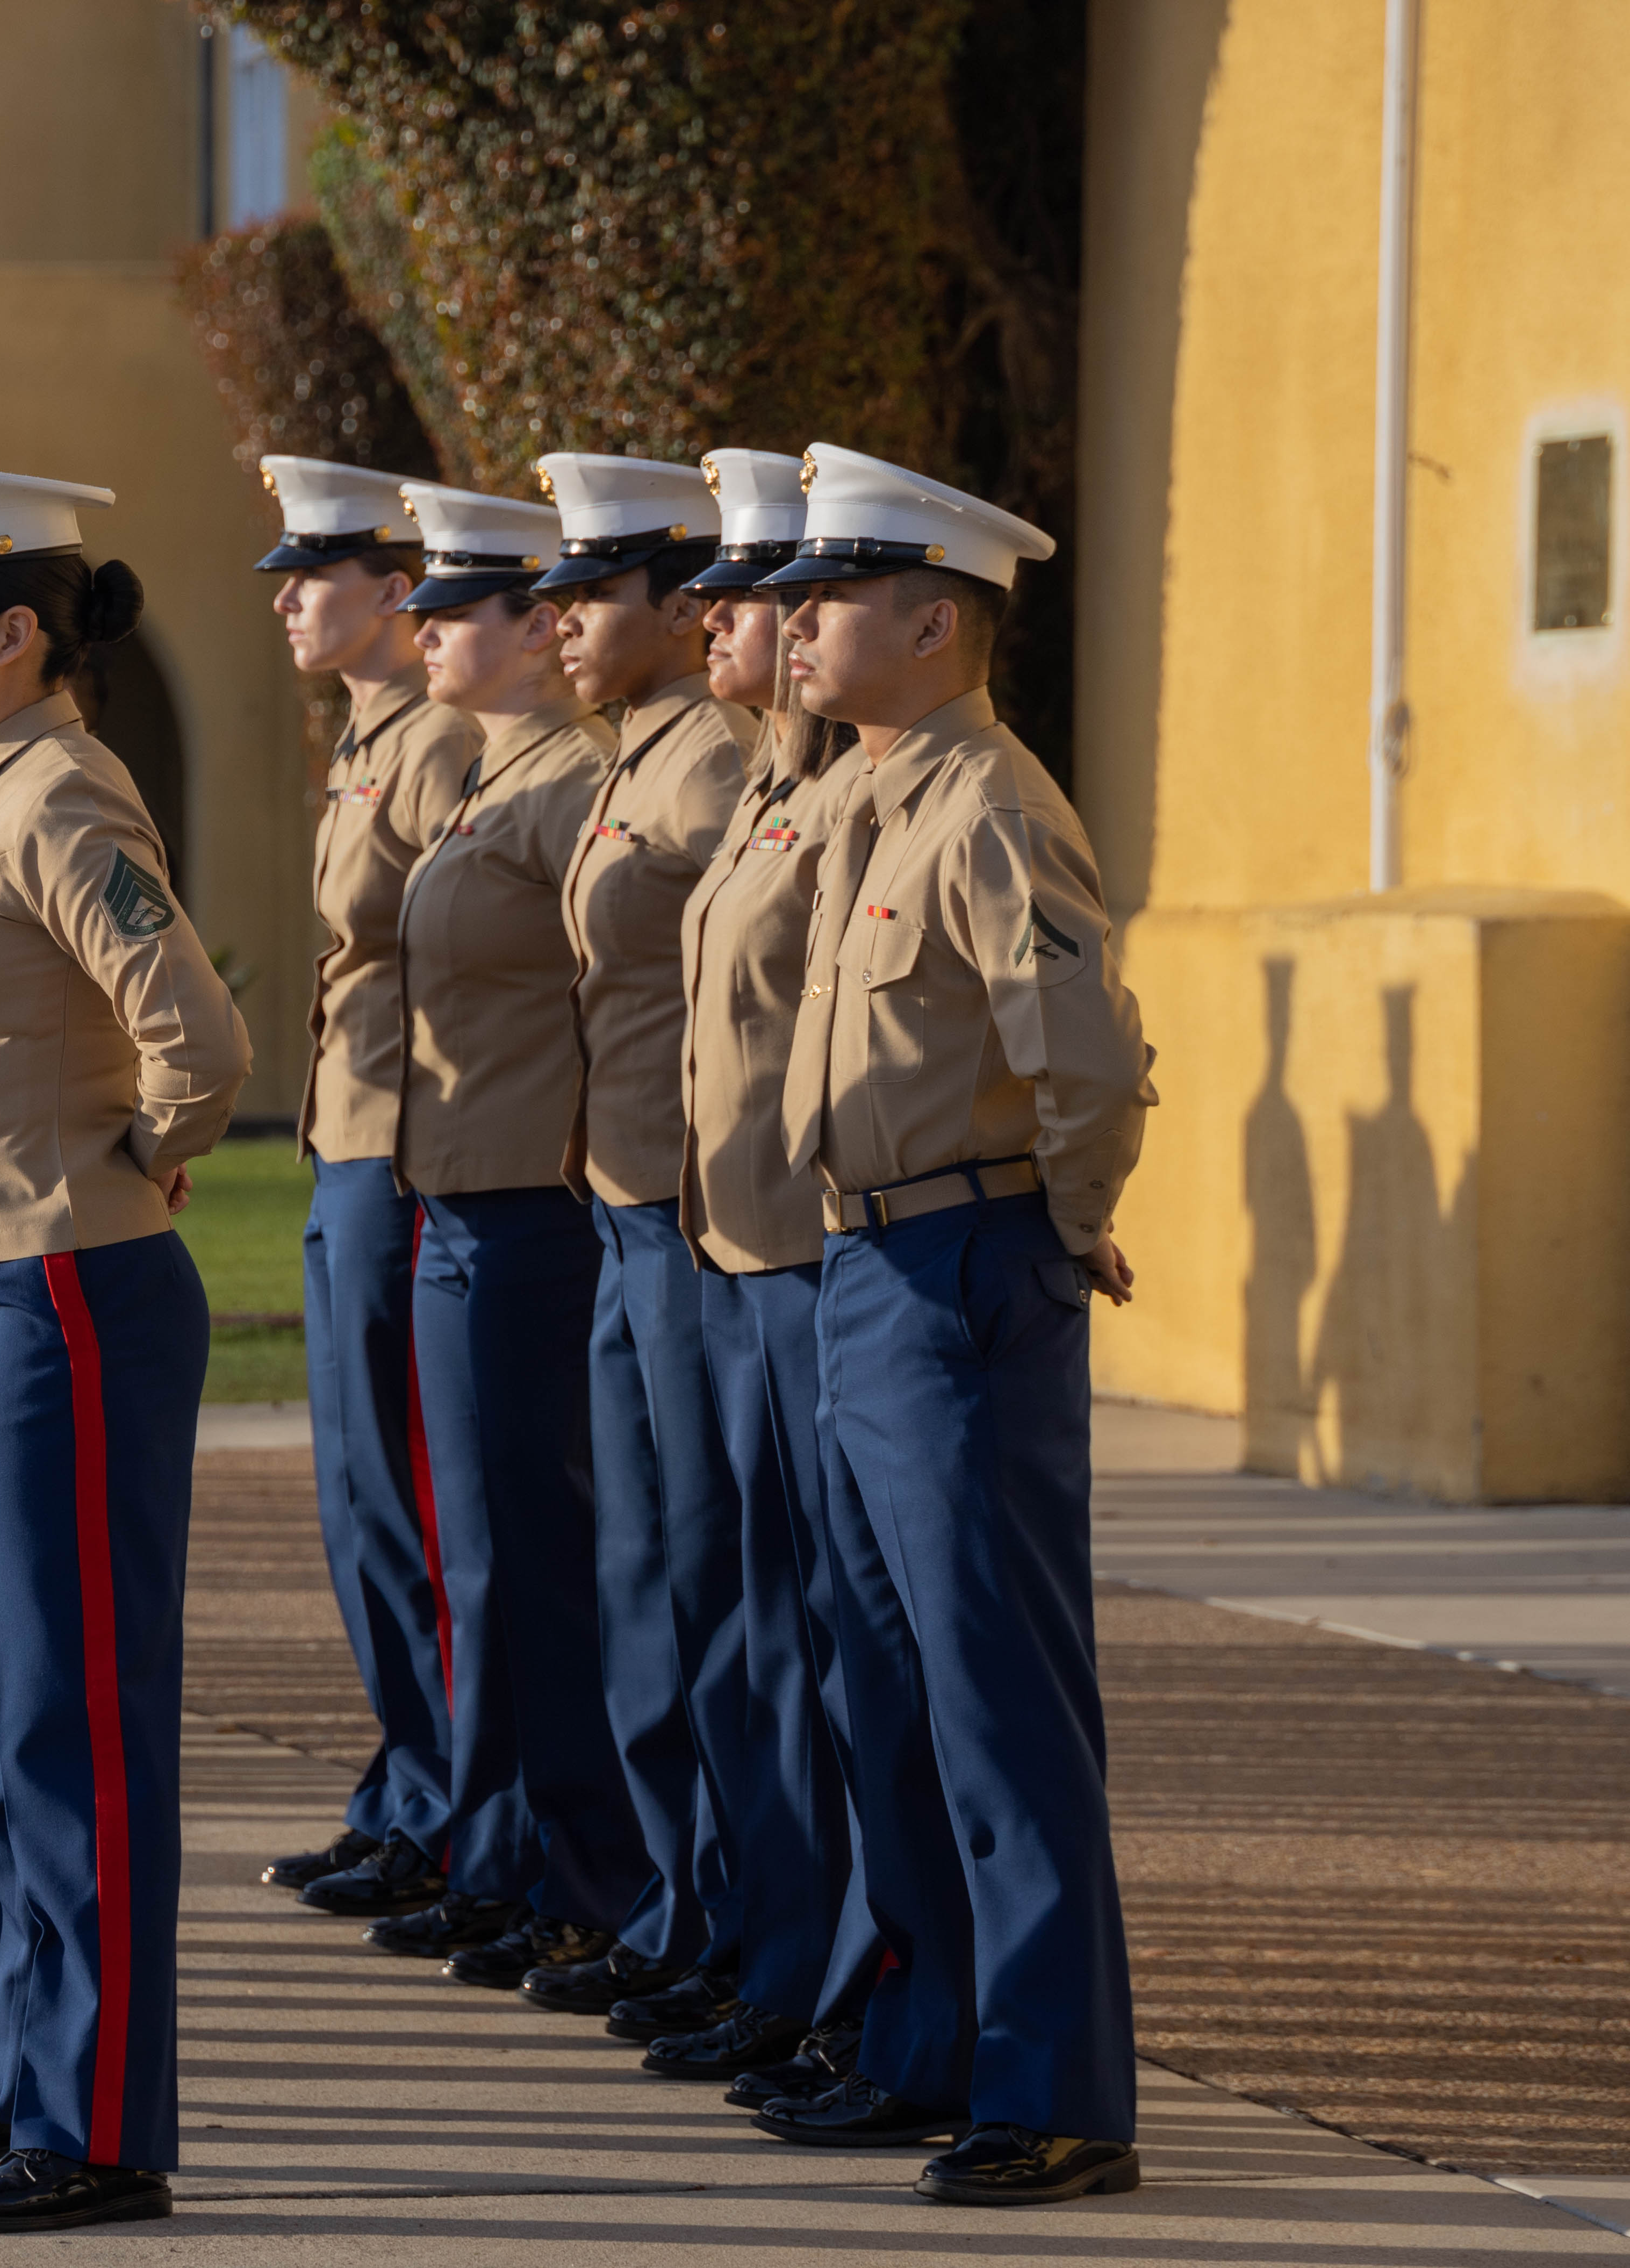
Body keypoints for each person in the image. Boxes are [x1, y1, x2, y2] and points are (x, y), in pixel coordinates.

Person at [0, 457, 249, 2234]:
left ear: (13, 635)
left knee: (64, 1716)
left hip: (60, 1289)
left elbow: (201, 1040)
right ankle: (13, 2068)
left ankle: (95, 2124)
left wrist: (134, 1161)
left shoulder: (63, 796)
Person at [748, 444, 1153, 2207]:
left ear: (934, 622)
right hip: (866, 1266)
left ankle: (1057, 2089)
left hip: (964, 1264)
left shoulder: (988, 806)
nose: (798, 624)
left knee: (997, 1698)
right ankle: (926, 2045)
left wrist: (1059, 1229)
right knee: (886, 1691)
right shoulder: (871, 798)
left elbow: (1087, 1056)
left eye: (833, 597)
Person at [345, 480, 650, 1989]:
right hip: (459, 1191)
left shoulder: (571, 781)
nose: (424, 631)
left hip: (536, 1199)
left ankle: (580, 1870)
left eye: (455, 611)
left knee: (540, 1555)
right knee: (479, 1557)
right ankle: (496, 1848)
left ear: (534, 631)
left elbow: (623, 998)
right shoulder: (491, 775)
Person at [643, 448, 884, 2091]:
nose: (731, 621)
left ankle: (846, 1976)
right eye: (735, 597)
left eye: (762, 596)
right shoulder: (766, 792)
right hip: (731, 1249)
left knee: (825, 1635)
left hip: (809, 1252)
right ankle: (773, 1946)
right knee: (740, 1621)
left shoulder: (848, 796)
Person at [521, 453, 756, 2041]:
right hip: (620, 1202)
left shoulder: (708, 763)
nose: (563, 621)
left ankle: (732, 1918)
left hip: (683, 1208)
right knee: (640, 1574)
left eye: (594, 594)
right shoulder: (639, 757)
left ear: (683, 611)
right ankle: (678, 1899)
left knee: (699, 1570)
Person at [240, 456, 481, 1923]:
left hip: (408, 1146)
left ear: (398, 590)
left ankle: (452, 1802)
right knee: (360, 1495)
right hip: (352, 1139)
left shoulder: (442, 743)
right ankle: (409, 1783)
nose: (286, 600)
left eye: (313, 576)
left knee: (413, 1493)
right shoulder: (371, 736)